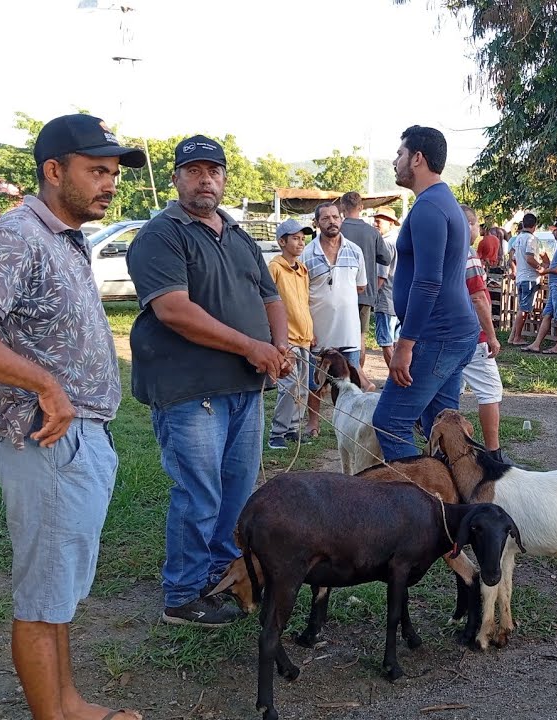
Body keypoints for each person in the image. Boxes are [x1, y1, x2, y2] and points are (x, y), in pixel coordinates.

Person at [0, 113, 147, 720]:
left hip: (76, 439)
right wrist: (45, 383)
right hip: (47, 441)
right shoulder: (19, 235)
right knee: (42, 597)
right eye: (96, 170)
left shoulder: (63, 236)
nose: (110, 183)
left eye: (113, 172)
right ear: (53, 170)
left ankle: (67, 702)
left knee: (56, 592)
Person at [125, 134, 290, 628]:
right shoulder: (161, 234)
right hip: (190, 389)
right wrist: (251, 347)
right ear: (176, 178)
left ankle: (220, 572)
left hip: (244, 386)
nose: (205, 180)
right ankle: (182, 593)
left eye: (213, 171)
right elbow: (174, 310)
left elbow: (270, 297)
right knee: (199, 493)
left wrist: (279, 347)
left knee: (237, 489)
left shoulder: (237, 234)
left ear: (224, 179)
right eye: (194, 171)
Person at [372, 125, 479, 460]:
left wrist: (405, 345)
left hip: (437, 336)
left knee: (390, 422)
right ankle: (452, 492)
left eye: (400, 154)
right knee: (443, 431)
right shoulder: (444, 202)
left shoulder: (429, 208)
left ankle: (418, 492)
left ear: (417, 158)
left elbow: (428, 282)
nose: (394, 161)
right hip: (452, 333)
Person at [302, 201, 372, 424]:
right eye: (325, 218)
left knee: (352, 380)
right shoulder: (307, 254)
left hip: (348, 329)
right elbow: (301, 293)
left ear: (341, 219)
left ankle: (351, 423)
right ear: (317, 223)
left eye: (335, 217)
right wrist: (308, 329)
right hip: (318, 331)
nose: (331, 221)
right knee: (316, 381)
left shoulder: (355, 251)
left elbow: (361, 286)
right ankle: (313, 423)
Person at [460, 204, 511, 463]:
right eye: (477, 225)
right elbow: (479, 298)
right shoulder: (467, 254)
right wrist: (491, 335)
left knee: (450, 391)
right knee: (490, 391)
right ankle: (494, 454)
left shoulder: (443, 250)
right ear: (470, 224)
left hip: (449, 333)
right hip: (472, 334)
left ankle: (446, 448)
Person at [267, 218, 317, 449]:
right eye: (295, 239)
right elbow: (268, 301)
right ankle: (277, 433)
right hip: (286, 339)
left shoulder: (303, 270)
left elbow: (304, 303)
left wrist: (311, 330)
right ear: (282, 242)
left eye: (302, 239)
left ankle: (293, 429)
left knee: (302, 386)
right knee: (288, 386)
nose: (300, 243)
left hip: (304, 337)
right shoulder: (275, 268)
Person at [339, 190, 393, 385]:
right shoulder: (372, 232)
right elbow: (386, 258)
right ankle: (358, 380)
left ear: (342, 208)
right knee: (360, 336)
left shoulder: (337, 229)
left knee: (339, 336)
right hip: (365, 293)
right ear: (361, 207)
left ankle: (339, 379)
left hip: (339, 293)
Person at [525, 219, 557, 355]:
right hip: (554, 284)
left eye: (555, 230)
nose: (553, 233)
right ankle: (536, 344)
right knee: (547, 314)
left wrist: (545, 271)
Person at [506, 213, 542, 345]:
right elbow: (529, 258)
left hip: (521, 277)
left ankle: (513, 337)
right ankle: (517, 337)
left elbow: (513, 257)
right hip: (529, 278)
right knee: (524, 309)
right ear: (534, 226)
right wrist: (540, 268)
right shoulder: (531, 239)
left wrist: (515, 269)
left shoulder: (518, 238)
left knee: (522, 307)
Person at [372, 207, 402, 365]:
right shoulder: (400, 241)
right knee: (397, 342)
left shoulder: (386, 243)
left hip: (385, 300)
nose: (375, 224)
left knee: (386, 342)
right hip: (399, 299)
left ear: (390, 223)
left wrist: (372, 297)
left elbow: (381, 276)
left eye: (379, 221)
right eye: (375, 221)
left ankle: (395, 375)